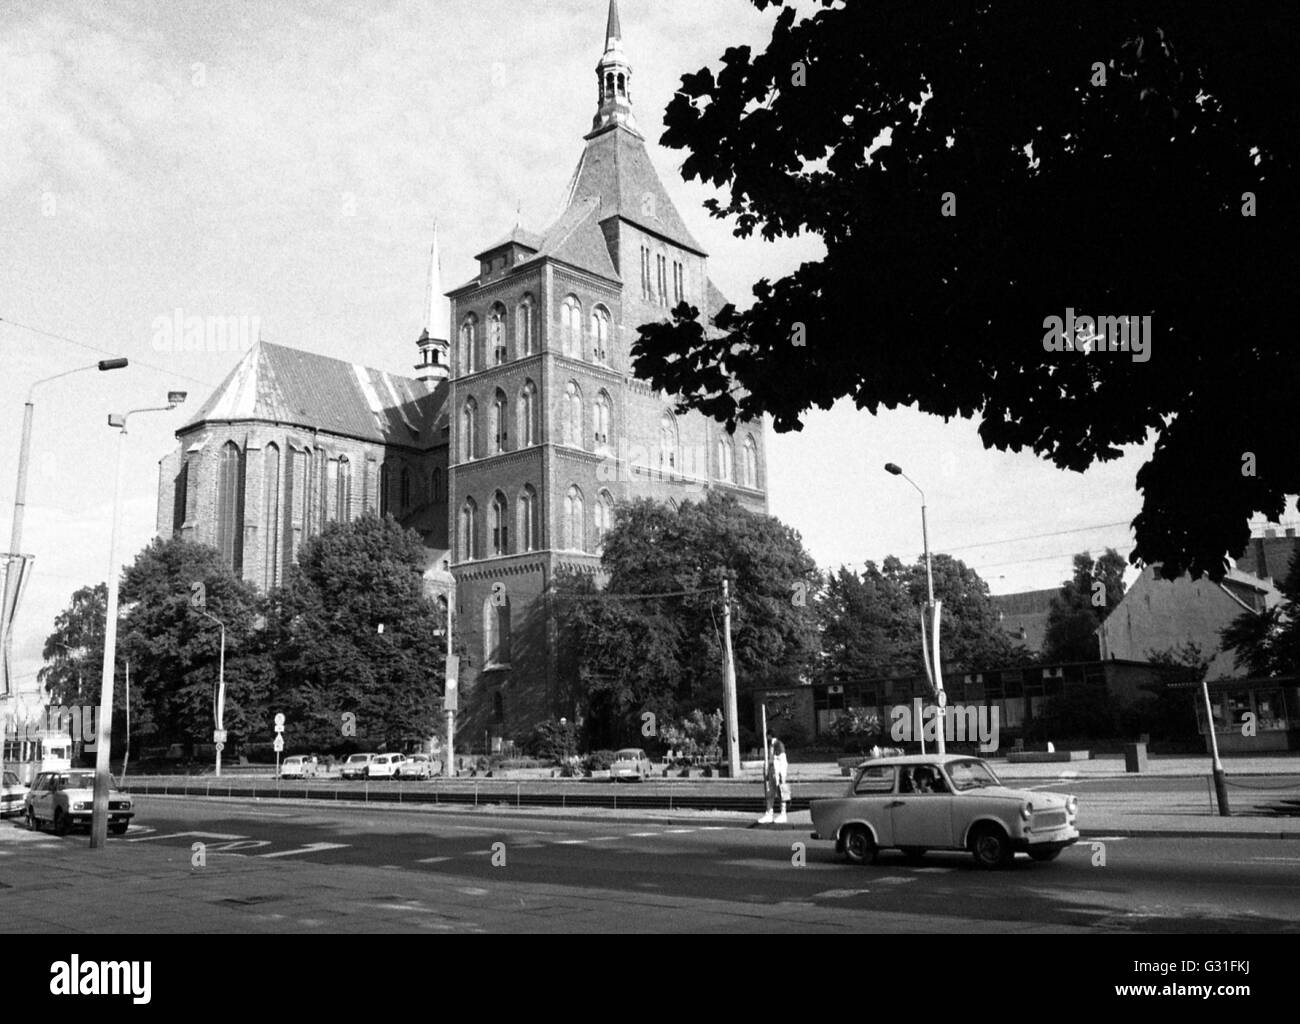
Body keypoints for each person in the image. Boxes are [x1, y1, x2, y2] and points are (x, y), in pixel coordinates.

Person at [757, 734, 789, 824]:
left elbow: (782, 760)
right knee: (770, 792)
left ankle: (783, 814)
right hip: (772, 770)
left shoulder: (778, 744)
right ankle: (769, 813)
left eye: (767, 736)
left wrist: (782, 775)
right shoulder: (771, 745)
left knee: (781, 792)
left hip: (778, 770)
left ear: (769, 735)